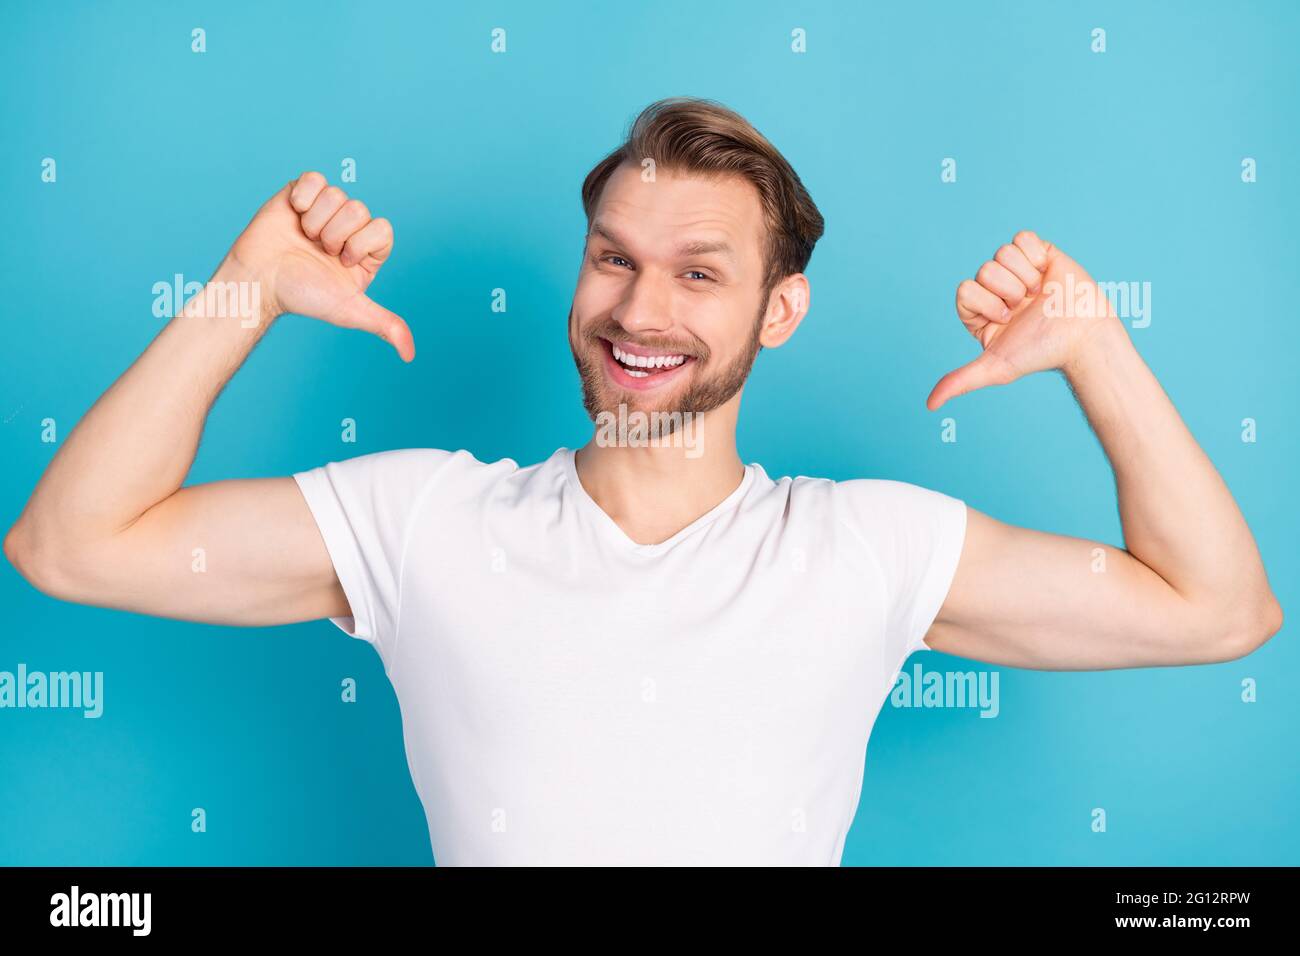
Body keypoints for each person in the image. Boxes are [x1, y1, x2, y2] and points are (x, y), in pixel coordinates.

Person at [4, 97, 1282, 865]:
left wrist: (1097, 347)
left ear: (781, 312)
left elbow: (1216, 608)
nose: (639, 308)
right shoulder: (425, 520)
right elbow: (72, 543)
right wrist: (243, 290)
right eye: (612, 259)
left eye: (699, 272)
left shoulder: (865, 548)